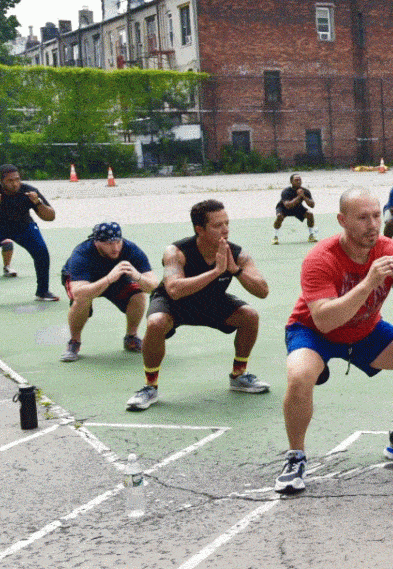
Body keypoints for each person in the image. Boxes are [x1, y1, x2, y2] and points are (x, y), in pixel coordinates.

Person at [275, 190, 393, 494]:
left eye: (376, 215)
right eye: (362, 218)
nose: (372, 224)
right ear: (342, 220)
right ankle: (295, 455)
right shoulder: (320, 258)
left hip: (365, 329)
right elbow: (324, 319)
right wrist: (368, 283)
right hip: (313, 331)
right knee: (299, 377)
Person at [126, 200, 270, 411]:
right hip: (174, 303)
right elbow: (174, 289)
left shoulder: (237, 254)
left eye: (227, 223)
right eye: (217, 225)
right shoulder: (176, 252)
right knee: (156, 323)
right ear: (199, 229)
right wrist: (215, 272)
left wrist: (235, 271)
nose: (225, 230)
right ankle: (150, 387)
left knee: (250, 316)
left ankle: (239, 375)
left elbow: (263, 291)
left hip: (211, 301)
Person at [59, 222, 160, 362]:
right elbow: (78, 293)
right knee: (81, 300)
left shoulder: (131, 249)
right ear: (97, 242)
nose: (115, 248)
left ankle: (131, 337)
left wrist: (137, 276)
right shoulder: (81, 253)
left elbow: (154, 286)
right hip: (87, 282)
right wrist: (108, 279)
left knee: (138, 294)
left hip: (117, 279)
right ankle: (74, 342)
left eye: (118, 242)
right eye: (108, 243)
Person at [0, 164, 57, 308]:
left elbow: (50, 216)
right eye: (10, 181)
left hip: (22, 227)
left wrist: (38, 202)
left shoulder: (29, 191)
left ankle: (43, 291)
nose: (15, 183)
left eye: (17, 179)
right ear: (1, 181)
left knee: (41, 251)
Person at [272, 174, 317, 244]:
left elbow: (312, 205)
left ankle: (311, 235)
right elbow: (288, 205)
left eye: (300, 180)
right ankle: (275, 236)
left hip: (297, 208)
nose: (298, 181)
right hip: (283, 208)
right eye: (296, 180)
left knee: (310, 215)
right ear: (291, 182)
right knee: (279, 217)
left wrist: (304, 196)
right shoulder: (286, 191)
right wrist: (299, 196)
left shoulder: (305, 191)